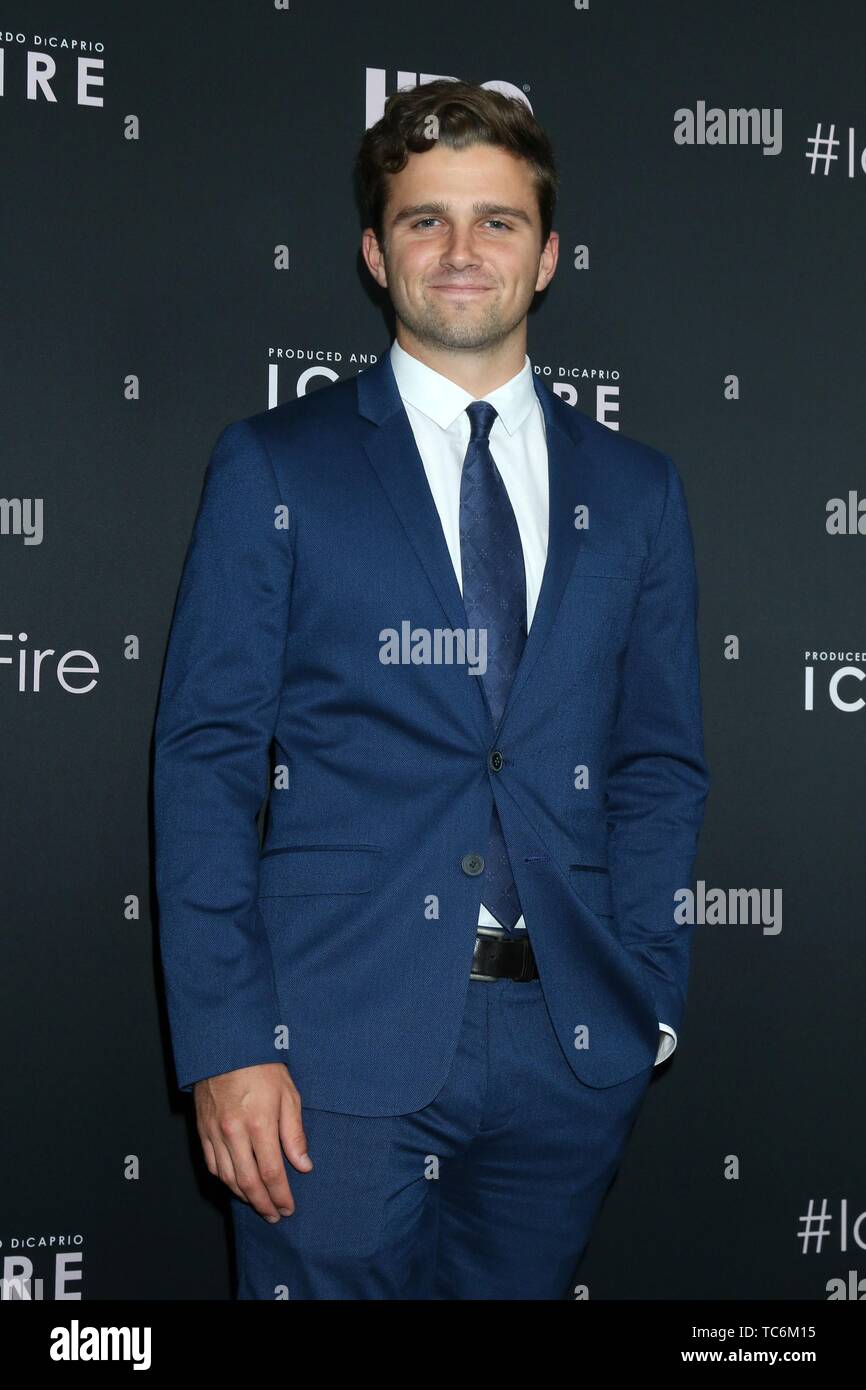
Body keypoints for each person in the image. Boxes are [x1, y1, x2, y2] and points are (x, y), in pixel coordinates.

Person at [153, 78, 710, 1300]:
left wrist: (645, 999)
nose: (461, 252)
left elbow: (657, 761)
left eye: (496, 221)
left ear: (547, 255)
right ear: (374, 249)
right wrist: (228, 1045)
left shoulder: (635, 492)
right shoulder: (275, 464)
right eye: (424, 220)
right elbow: (204, 760)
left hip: (568, 1042)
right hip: (326, 1046)